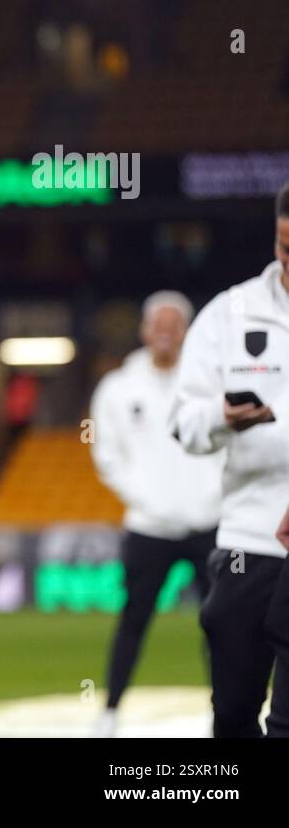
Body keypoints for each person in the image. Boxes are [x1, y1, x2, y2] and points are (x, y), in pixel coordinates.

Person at [171, 183, 289, 736]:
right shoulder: (229, 313)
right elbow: (184, 423)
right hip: (249, 538)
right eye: (286, 246)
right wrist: (222, 416)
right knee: (235, 713)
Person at [88, 291, 223, 737]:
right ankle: (109, 711)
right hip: (148, 527)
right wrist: (149, 500)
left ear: (187, 331)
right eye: (158, 324)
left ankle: (224, 711)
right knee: (133, 621)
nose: (165, 333)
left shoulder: (210, 381)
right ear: (145, 330)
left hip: (209, 523)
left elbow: (229, 441)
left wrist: (211, 499)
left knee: (220, 624)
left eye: (175, 325)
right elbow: (107, 456)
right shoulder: (118, 387)